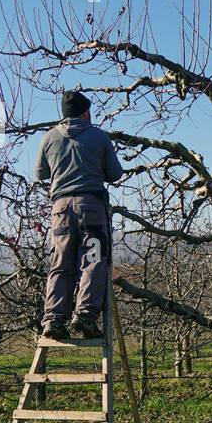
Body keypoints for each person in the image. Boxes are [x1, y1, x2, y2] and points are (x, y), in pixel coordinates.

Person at [35, 91, 124, 339]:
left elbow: (40, 173)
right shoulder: (99, 137)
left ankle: (53, 319)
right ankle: (85, 315)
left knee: (61, 262)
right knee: (93, 259)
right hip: (91, 209)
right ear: (85, 112)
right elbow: (115, 174)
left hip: (60, 210)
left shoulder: (48, 138)